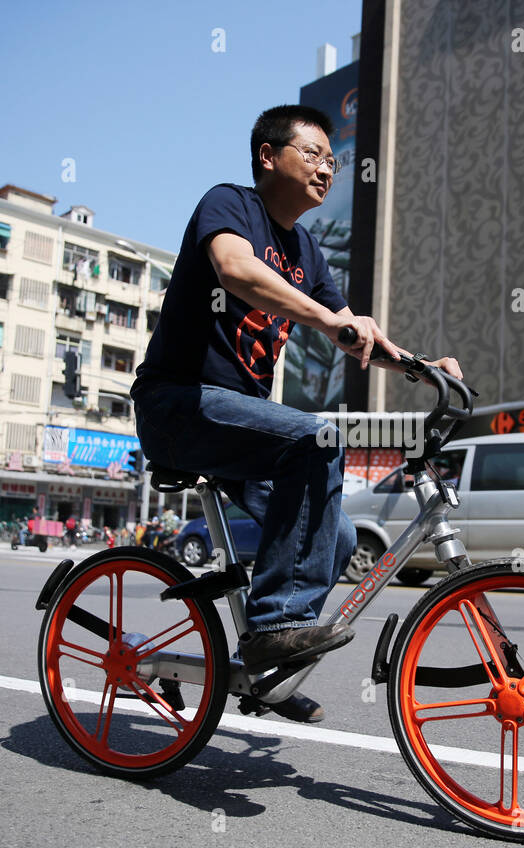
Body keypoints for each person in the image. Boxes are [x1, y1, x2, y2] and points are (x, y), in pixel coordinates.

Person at [130, 104, 461, 723]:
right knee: (318, 437)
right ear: (268, 156)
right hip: (178, 405)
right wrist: (328, 317)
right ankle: (274, 625)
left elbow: (353, 332)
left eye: (332, 162)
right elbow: (234, 270)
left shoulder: (306, 248)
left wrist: (421, 366)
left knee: (334, 538)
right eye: (312, 154)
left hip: (238, 420)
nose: (326, 169)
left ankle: (262, 671)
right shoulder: (229, 204)